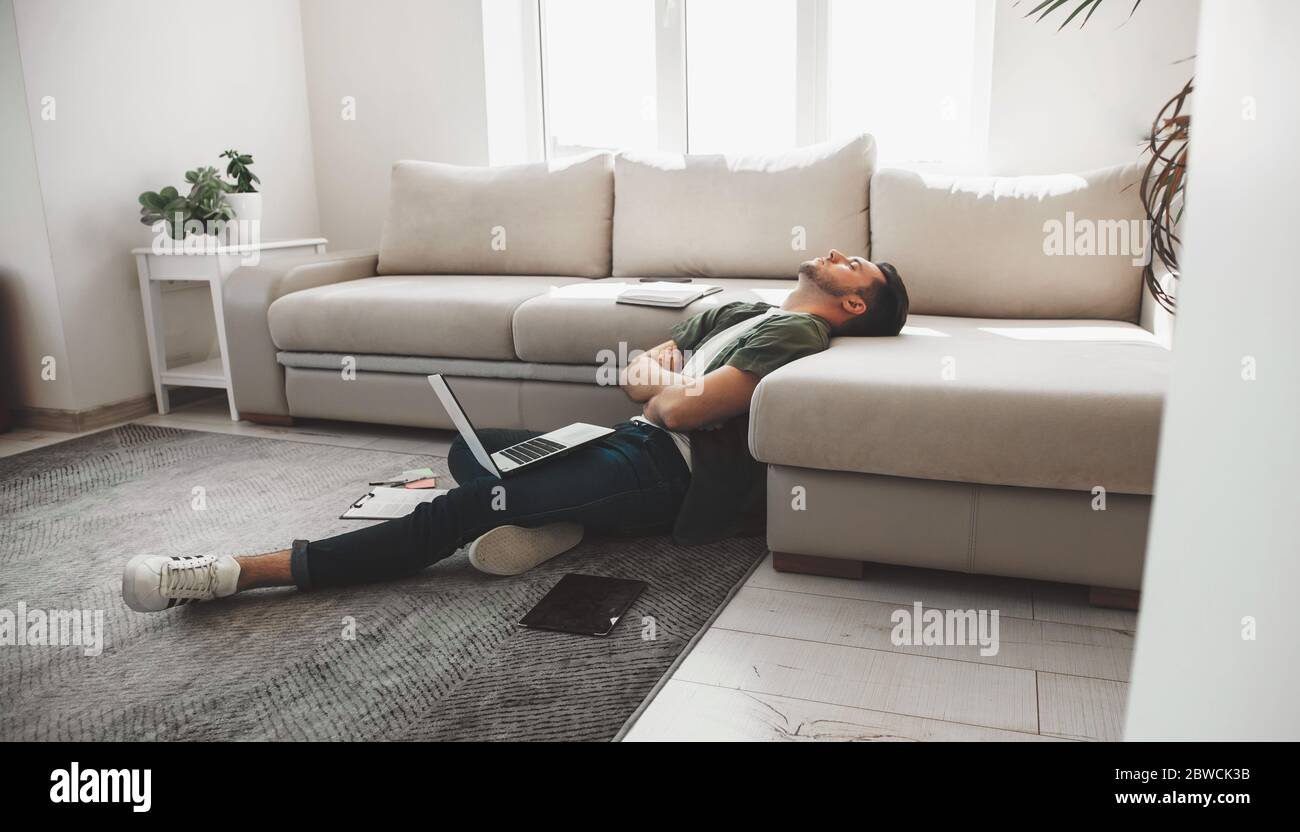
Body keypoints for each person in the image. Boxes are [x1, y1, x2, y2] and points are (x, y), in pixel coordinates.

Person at [121, 250, 909, 612]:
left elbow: (674, 409)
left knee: (471, 502)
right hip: (630, 444)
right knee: (470, 444)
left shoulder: (796, 338)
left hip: (669, 471)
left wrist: (662, 384)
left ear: (852, 307)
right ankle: (555, 519)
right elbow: (636, 376)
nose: (840, 254)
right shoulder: (743, 311)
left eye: (858, 267)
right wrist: (661, 383)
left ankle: (238, 571)